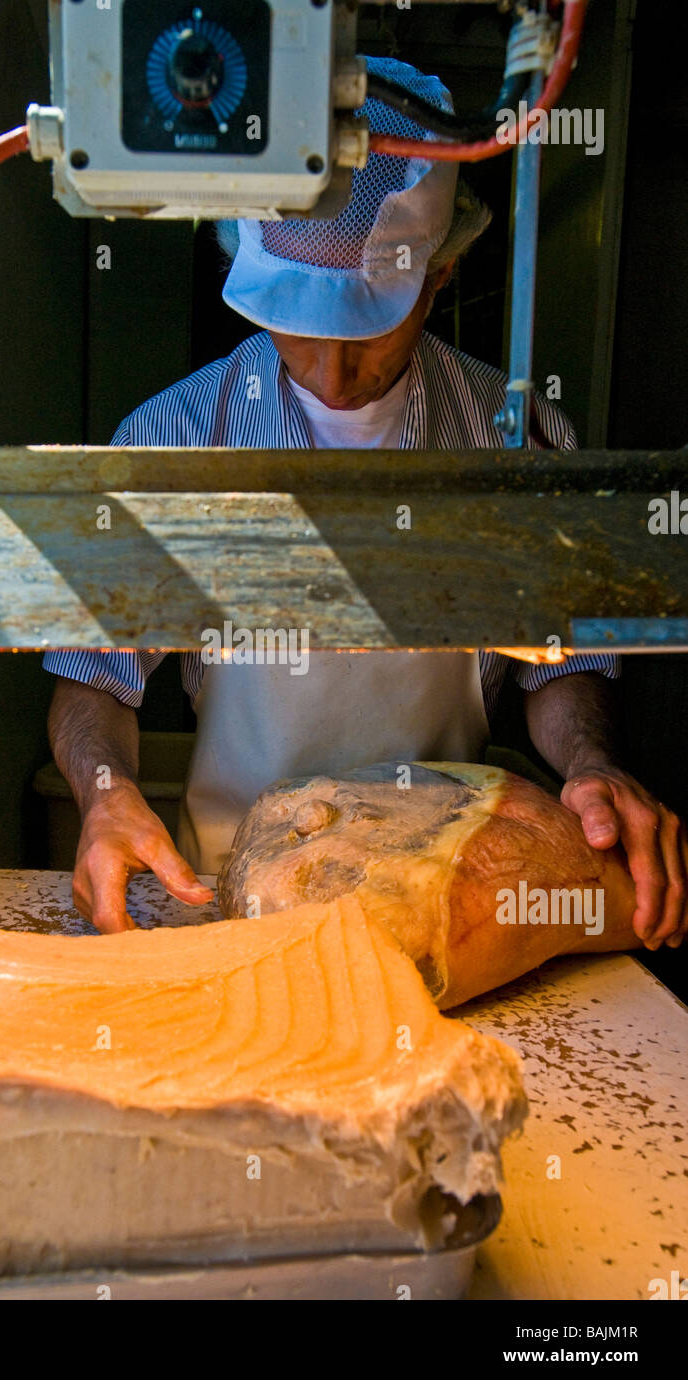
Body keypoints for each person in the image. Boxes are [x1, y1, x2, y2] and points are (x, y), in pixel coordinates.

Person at [45, 58, 686, 951]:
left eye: (367, 328)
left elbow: (557, 667)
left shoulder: (517, 437)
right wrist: (107, 795)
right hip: (233, 903)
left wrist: (590, 762)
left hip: (448, 902)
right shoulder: (177, 436)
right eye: (302, 329)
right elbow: (90, 680)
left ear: (442, 274)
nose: (333, 372)